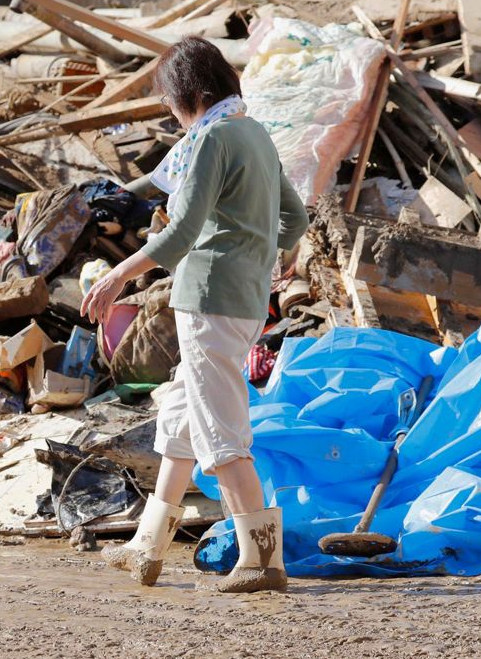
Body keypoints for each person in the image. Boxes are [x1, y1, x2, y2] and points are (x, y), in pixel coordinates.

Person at [80, 36, 310, 593]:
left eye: (169, 100)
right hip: (246, 300)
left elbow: (181, 232)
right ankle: (147, 546)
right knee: (182, 419)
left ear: (190, 93)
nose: (171, 111)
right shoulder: (254, 134)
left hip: (209, 298)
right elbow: (296, 220)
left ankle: (262, 560)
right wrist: (263, 253)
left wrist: (116, 275)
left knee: (219, 432)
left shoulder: (211, 140)